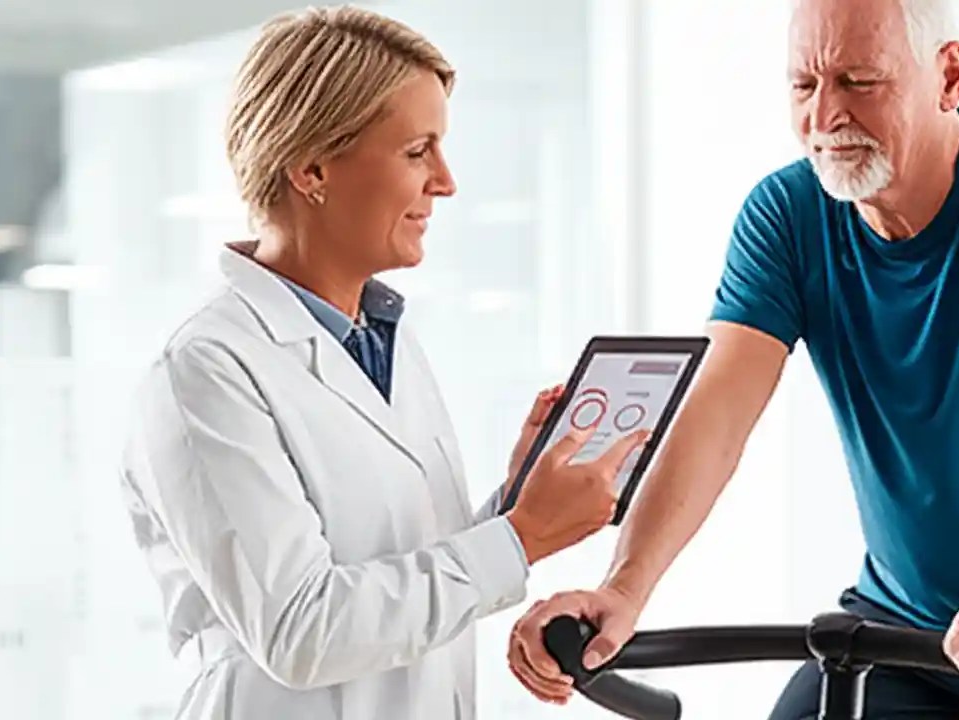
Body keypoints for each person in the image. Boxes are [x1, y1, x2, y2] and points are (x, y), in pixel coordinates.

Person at [507, 0, 959, 717]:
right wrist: (624, 589)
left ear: (948, 76)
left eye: (860, 81)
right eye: (804, 85)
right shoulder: (788, 214)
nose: (826, 116)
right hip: (909, 614)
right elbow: (716, 411)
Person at [117, 7, 648, 720]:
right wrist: (519, 540)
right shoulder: (204, 371)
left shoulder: (385, 339)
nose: (446, 181)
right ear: (311, 168)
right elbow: (301, 630)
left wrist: (514, 509)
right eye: (417, 150)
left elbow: (398, 568)